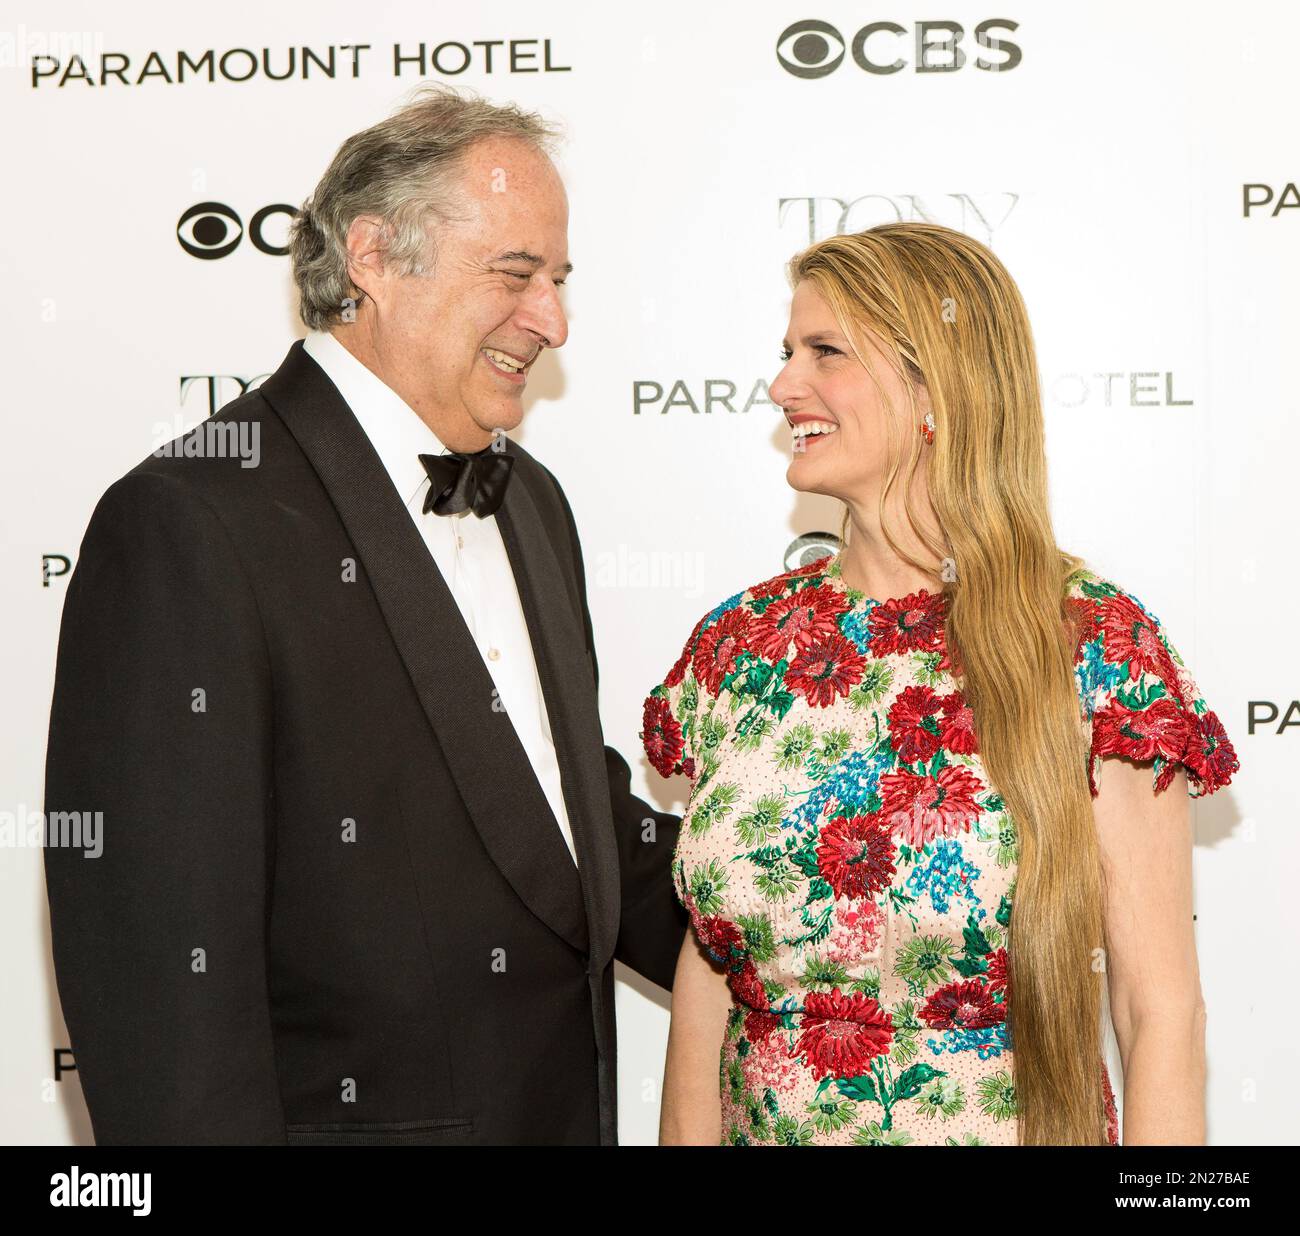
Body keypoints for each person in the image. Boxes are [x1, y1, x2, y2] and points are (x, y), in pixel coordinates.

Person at [43, 84, 685, 1146]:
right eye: (516, 275)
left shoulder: (532, 503)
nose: (554, 321)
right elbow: (158, 978)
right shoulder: (190, 519)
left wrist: (833, 921)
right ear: (374, 258)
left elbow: (562, 829)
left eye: (560, 280)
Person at [643, 222, 1239, 1146]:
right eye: (787, 351)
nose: (783, 384)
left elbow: (1160, 1014)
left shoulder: (1088, 643)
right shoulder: (741, 646)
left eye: (825, 352)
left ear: (934, 387)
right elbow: (711, 973)